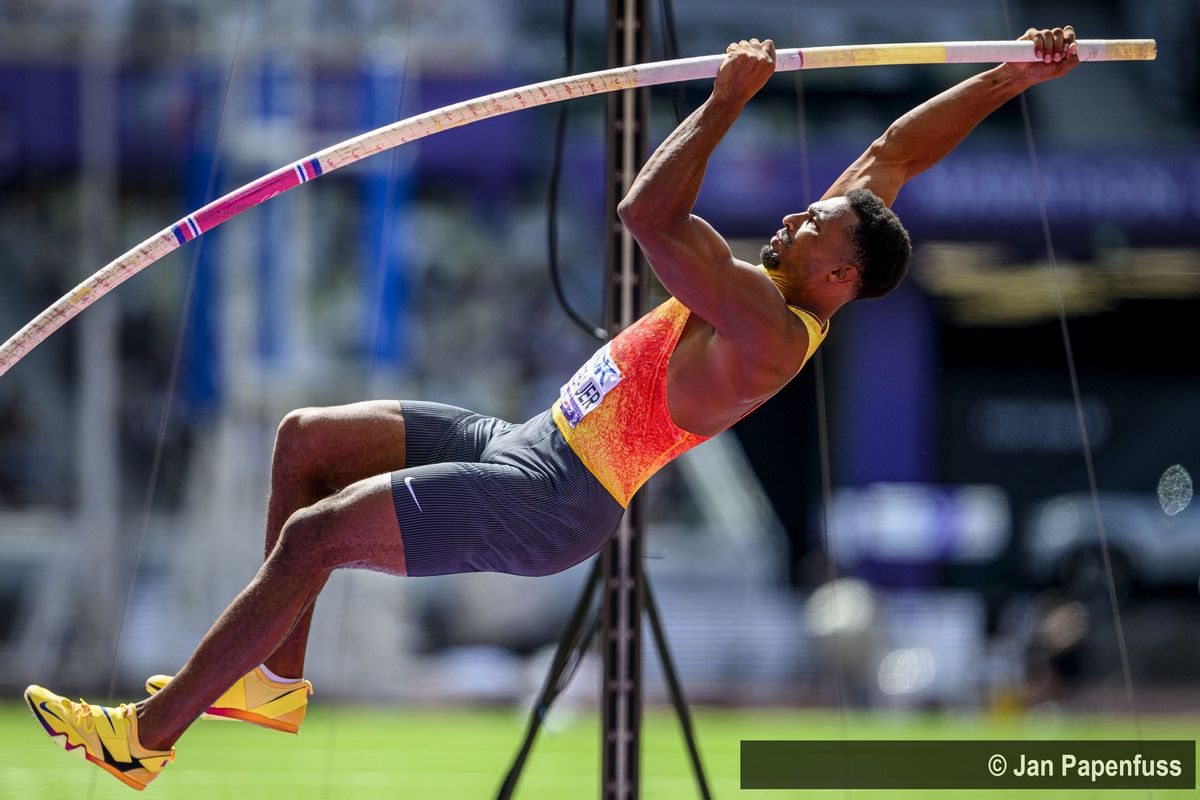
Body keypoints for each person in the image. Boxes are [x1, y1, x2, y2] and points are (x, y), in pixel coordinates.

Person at [25, 26, 1081, 790]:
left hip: (556, 496)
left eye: (815, 226)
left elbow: (644, 212)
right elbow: (897, 151)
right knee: (308, 443)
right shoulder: (818, 254)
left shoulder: (769, 322)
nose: (798, 214)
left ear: (840, 278)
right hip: (528, 439)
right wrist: (1012, 72)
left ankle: (146, 736)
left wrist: (722, 101)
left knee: (314, 534)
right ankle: (273, 681)